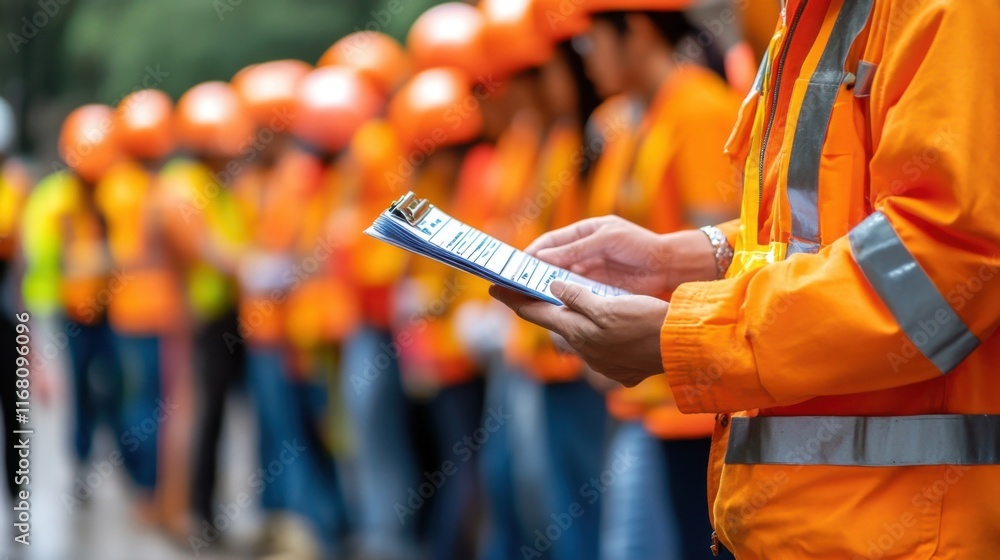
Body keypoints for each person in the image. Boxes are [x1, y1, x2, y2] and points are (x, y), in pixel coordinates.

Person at [491, 0, 1000, 557]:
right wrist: (682, 256)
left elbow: (941, 268)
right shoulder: (813, 21)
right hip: (802, 518)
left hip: (905, 529)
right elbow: (808, 241)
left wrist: (688, 338)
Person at [95, 89, 186, 530]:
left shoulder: (124, 184)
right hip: (149, 312)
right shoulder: (146, 188)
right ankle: (150, 488)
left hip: (139, 311)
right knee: (149, 405)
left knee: (144, 403)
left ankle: (150, 487)